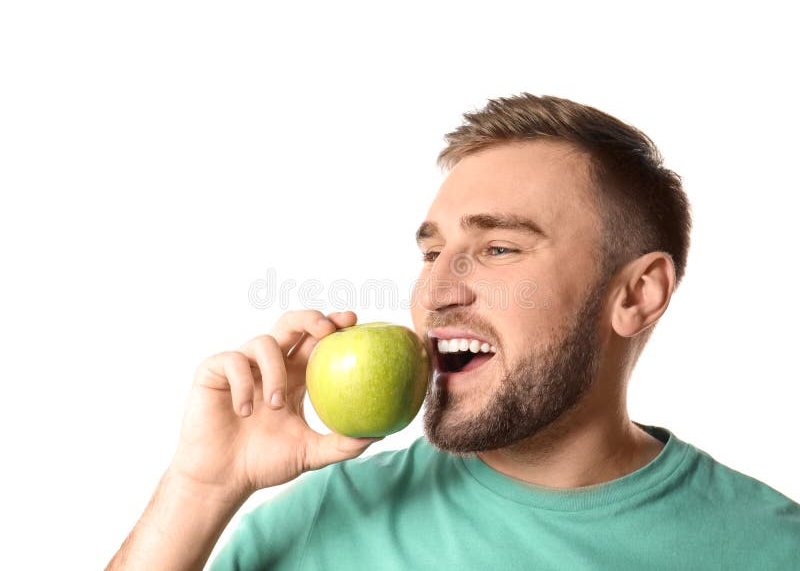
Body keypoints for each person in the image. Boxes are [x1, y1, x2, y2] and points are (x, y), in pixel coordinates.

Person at [106, 94, 800, 570]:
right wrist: (199, 488)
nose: (434, 294)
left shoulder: (771, 547)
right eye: (431, 254)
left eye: (499, 249)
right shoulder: (323, 516)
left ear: (636, 294)